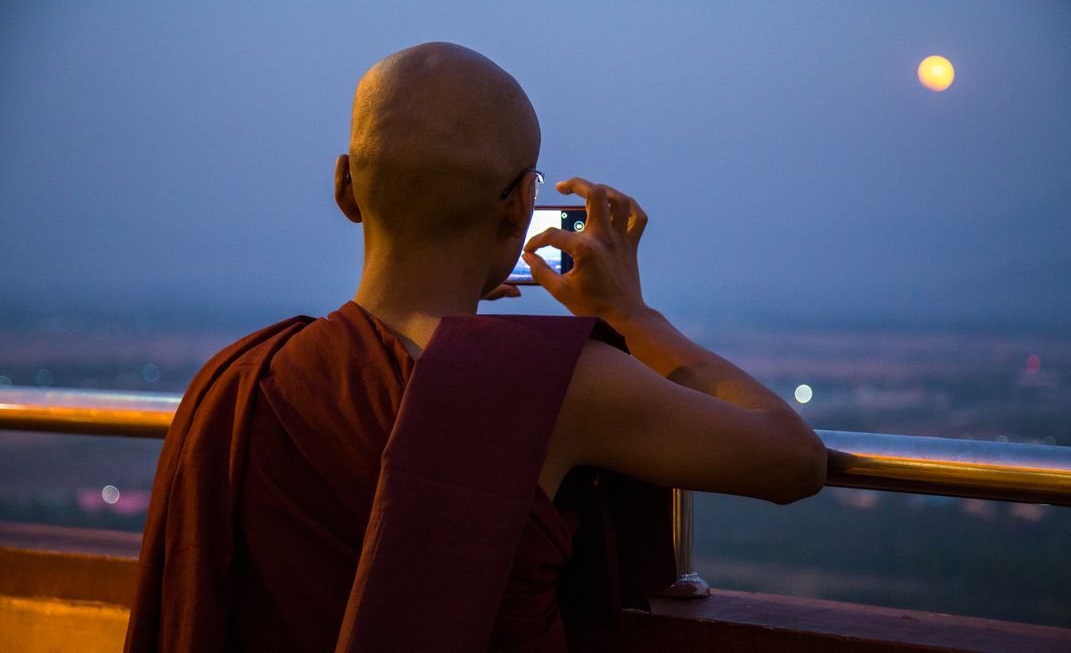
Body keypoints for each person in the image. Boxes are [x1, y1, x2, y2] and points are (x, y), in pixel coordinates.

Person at [125, 42, 826, 652]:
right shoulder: (555, 386)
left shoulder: (251, 378)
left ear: (345, 187)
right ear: (520, 206)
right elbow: (794, 461)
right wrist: (632, 314)